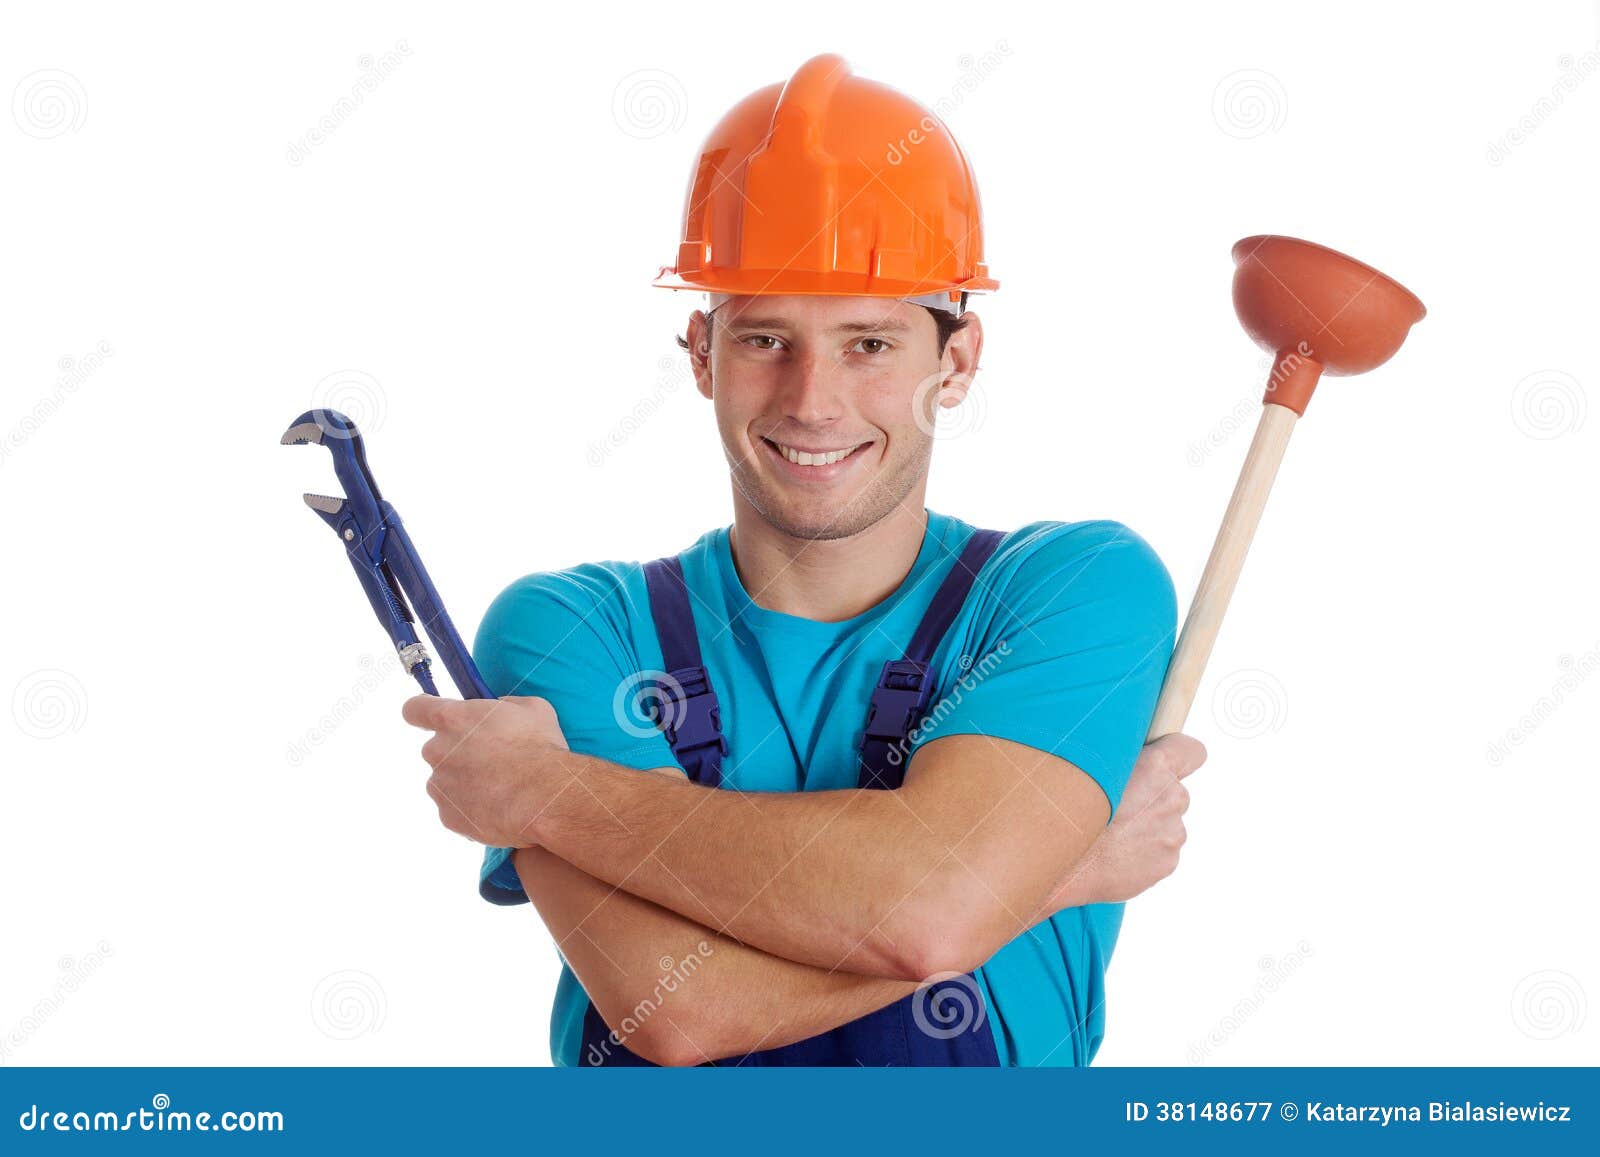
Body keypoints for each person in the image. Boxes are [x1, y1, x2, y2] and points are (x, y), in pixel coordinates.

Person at [403, 53, 1206, 1067]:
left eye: (868, 343)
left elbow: (931, 907)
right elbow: (678, 1013)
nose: (811, 401)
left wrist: (550, 794)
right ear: (700, 354)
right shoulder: (569, 628)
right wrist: (1056, 870)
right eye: (765, 338)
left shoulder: (1070, 593)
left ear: (953, 362)